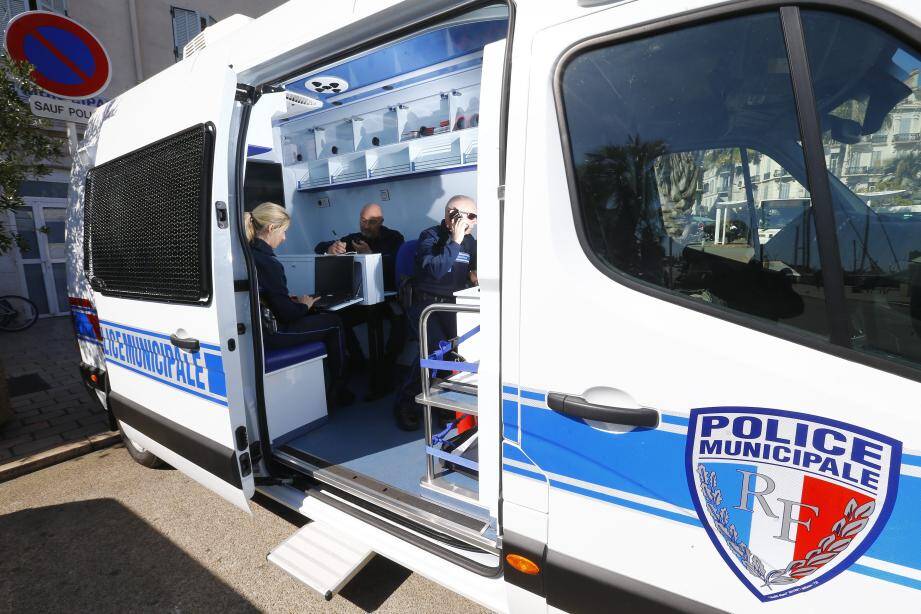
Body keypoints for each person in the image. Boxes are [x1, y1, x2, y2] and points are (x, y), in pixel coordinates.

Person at [246, 202, 353, 406]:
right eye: (284, 232)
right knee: (335, 322)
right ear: (270, 228)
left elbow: (271, 297)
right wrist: (304, 305)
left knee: (321, 317)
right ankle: (339, 390)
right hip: (276, 332)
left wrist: (293, 302)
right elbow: (287, 315)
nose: (284, 237)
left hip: (261, 327)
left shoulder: (249, 254)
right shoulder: (268, 262)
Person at [394, 195, 478, 430]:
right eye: (468, 216)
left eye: (475, 217)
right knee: (435, 351)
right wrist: (455, 240)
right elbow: (437, 270)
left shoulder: (471, 241)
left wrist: (475, 274)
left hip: (452, 305)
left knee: (457, 352)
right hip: (426, 305)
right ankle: (406, 402)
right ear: (452, 216)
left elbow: (475, 269)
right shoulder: (430, 237)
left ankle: (442, 405)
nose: (472, 222)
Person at [315, 203, 406, 385]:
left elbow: (395, 268)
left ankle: (386, 366)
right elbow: (319, 247)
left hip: (387, 296)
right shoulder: (354, 238)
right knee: (338, 319)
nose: (365, 226)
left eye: (371, 222)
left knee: (400, 319)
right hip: (360, 298)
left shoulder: (394, 238)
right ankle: (357, 361)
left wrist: (370, 254)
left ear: (381, 221)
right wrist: (331, 249)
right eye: (363, 221)